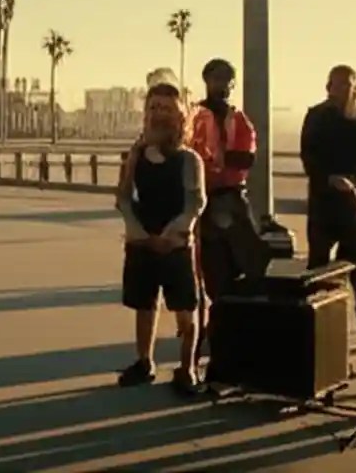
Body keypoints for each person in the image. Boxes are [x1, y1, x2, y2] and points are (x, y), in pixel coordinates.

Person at [115, 82, 207, 395]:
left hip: (176, 244)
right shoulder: (136, 155)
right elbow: (124, 197)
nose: (158, 115)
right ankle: (144, 361)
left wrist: (172, 233)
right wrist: (138, 232)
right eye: (153, 108)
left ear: (180, 116)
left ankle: (187, 368)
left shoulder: (189, 160)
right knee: (144, 304)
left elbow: (196, 203)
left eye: (166, 108)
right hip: (141, 243)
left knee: (185, 309)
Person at [187, 59, 270, 384]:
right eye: (219, 78)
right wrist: (216, 162)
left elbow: (245, 158)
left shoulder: (239, 119)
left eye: (230, 80)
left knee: (253, 269)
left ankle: (246, 351)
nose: (225, 85)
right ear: (207, 79)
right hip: (206, 203)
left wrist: (217, 161)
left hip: (234, 199)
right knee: (213, 282)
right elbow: (192, 154)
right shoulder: (195, 116)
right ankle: (216, 360)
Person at [300, 65, 356, 351]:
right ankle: (314, 334)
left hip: (353, 207)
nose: (341, 90)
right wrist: (328, 179)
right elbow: (308, 156)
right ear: (328, 87)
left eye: (347, 85)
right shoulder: (317, 116)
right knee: (318, 270)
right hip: (324, 204)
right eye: (336, 84)